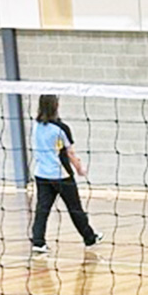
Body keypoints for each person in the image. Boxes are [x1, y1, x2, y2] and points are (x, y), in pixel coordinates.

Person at [29, 94, 102, 254]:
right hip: (60, 176)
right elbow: (70, 153)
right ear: (55, 106)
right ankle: (89, 238)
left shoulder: (35, 125)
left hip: (41, 174)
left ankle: (38, 242)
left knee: (42, 209)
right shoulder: (61, 128)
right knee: (75, 208)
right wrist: (79, 169)